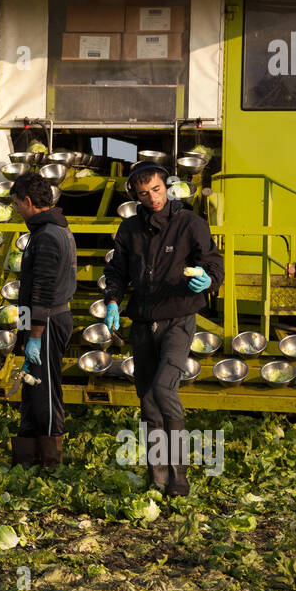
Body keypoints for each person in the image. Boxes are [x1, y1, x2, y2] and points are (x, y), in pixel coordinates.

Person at [103, 162, 224, 496]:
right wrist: (112, 300)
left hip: (179, 318)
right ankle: (158, 479)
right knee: (148, 401)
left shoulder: (190, 223)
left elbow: (213, 260)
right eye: (144, 193)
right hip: (142, 321)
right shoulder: (129, 230)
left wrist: (208, 280)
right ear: (136, 195)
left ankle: (179, 475)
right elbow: (116, 271)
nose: (152, 198)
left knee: (164, 390)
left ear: (166, 187)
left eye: (156, 190)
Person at [9, 173, 78, 469]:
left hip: (48, 320)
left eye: (16, 204)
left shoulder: (48, 234)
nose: (15, 210)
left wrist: (35, 334)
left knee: (46, 389)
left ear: (27, 201)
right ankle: (27, 457)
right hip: (37, 321)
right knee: (32, 387)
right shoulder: (45, 230)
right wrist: (24, 332)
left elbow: (43, 289)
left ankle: (50, 461)